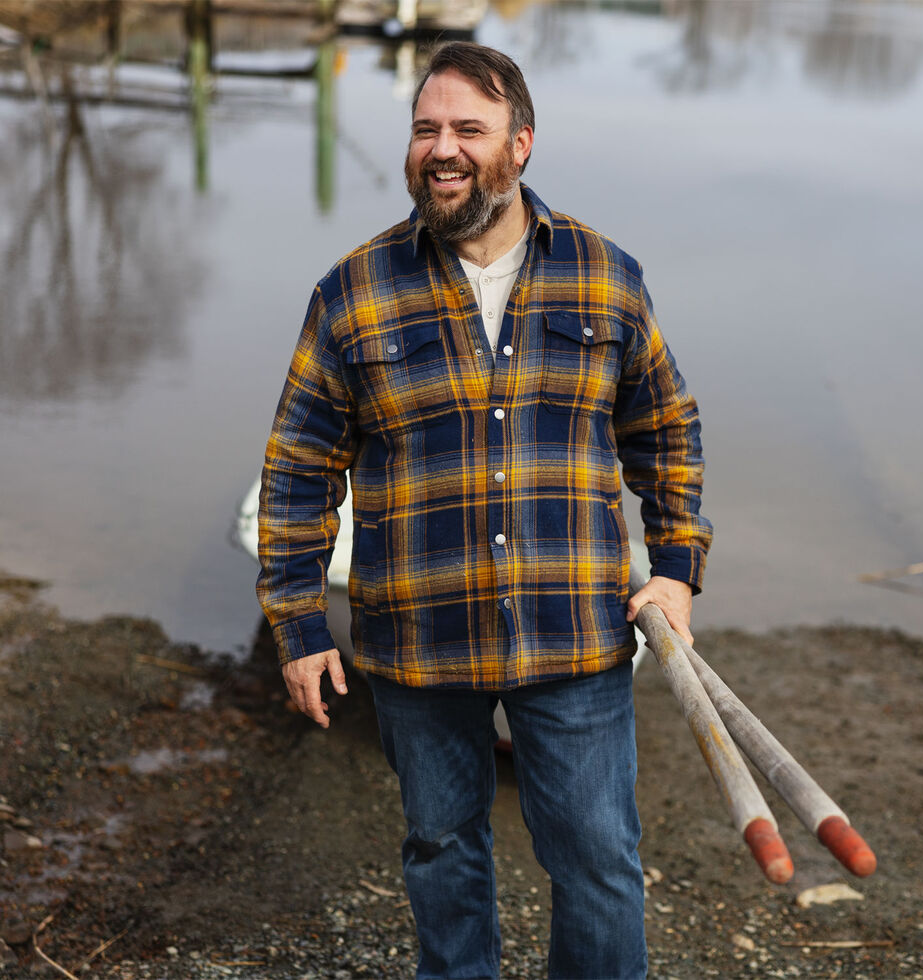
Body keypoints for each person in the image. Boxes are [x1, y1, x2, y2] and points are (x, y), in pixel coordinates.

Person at [256, 41, 712, 980]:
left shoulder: (605, 275)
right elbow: (299, 468)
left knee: (599, 865)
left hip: (574, 635)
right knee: (440, 851)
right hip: (418, 643)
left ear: (521, 144)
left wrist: (674, 571)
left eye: (469, 128)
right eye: (426, 129)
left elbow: (666, 431)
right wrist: (299, 625)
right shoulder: (353, 292)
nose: (443, 149)